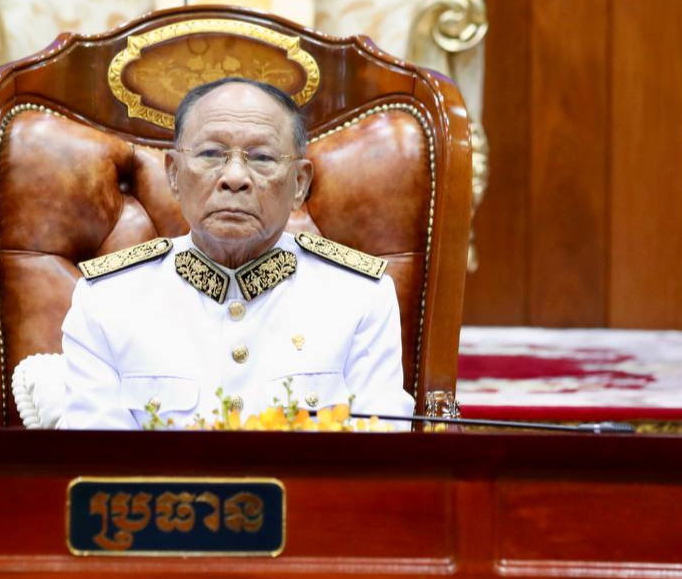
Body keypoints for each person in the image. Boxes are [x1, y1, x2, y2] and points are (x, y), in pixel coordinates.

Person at [57, 77, 414, 430]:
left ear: (299, 184)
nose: (235, 177)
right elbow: (98, 458)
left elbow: (380, 453)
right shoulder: (106, 300)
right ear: (174, 174)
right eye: (211, 154)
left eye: (262, 157)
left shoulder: (359, 298)